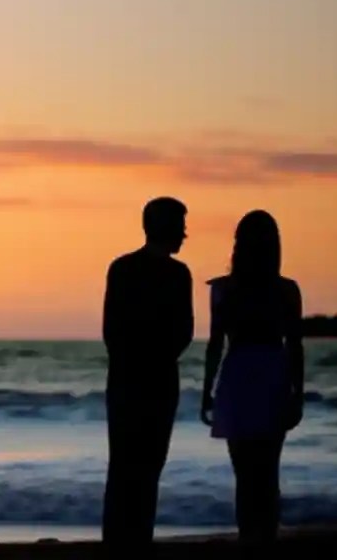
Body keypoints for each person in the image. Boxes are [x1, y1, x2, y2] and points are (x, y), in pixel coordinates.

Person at [200, 210, 304, 546]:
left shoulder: (224, 290)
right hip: (273, 373)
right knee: (267, 472)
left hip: (238, 375)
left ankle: (249, 541)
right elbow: (295, 346)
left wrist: (207, 391)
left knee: (245, 475)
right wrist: (297, 392)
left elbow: (216, 344)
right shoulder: (287, 290)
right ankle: (266, 540)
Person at [101, 197, 194, 550]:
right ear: (165, 227)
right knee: (146, 466)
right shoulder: (175, 274)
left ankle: (121, 540)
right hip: (153, 382)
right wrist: (155, 359)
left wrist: (135, 361)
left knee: (126, 466)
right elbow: (182, 333)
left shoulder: (122, 268)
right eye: (180, 225)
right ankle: (136, 539)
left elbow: (112, 332)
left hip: (128, 381)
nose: (185, 234)